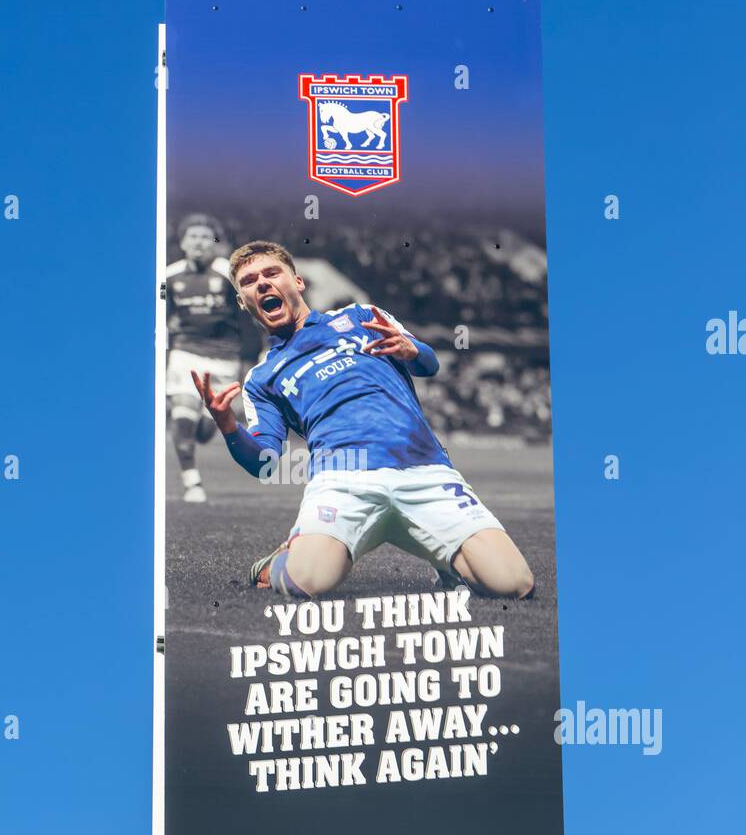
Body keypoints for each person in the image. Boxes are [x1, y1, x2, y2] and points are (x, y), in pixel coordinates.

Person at [192, 240, 533, 599]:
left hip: (424, 472)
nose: (261, 283)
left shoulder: (361, 316)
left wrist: (412, 349)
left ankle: (445, 562)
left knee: (514, 584)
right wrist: (227, 426)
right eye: (248, 281)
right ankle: (275, 563)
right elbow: (264, 463)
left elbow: (428, 365)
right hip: (343, 482)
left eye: (271, 273)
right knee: (305, 581)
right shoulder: (262, 377)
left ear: (298, 282)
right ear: (242, 301)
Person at [165, 213, 242, 503]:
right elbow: (161, 315)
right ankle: (192, 482)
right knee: (181, 414)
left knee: (207, 430)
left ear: (213, 243)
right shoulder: (169, 277)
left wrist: (252, 353)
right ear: (183, 243)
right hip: (186, 352)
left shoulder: (229, 274)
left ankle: (202, 423)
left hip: (224, 359)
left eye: (203, 237)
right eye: (192, 236)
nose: (198, 242)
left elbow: (246, 317)